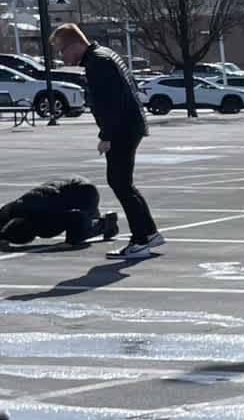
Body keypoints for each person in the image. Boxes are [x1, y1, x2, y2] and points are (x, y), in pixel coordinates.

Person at [49, 23, 164, 260]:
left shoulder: (97, 63)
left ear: (75, 44)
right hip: (130, 126)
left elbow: (111, 104)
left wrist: (106, 137)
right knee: (124, 184)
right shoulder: (104, 56)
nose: (61, 56)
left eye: (62, 50)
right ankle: (149, 233)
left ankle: (140, 241)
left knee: (120, 184)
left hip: (122, 129)